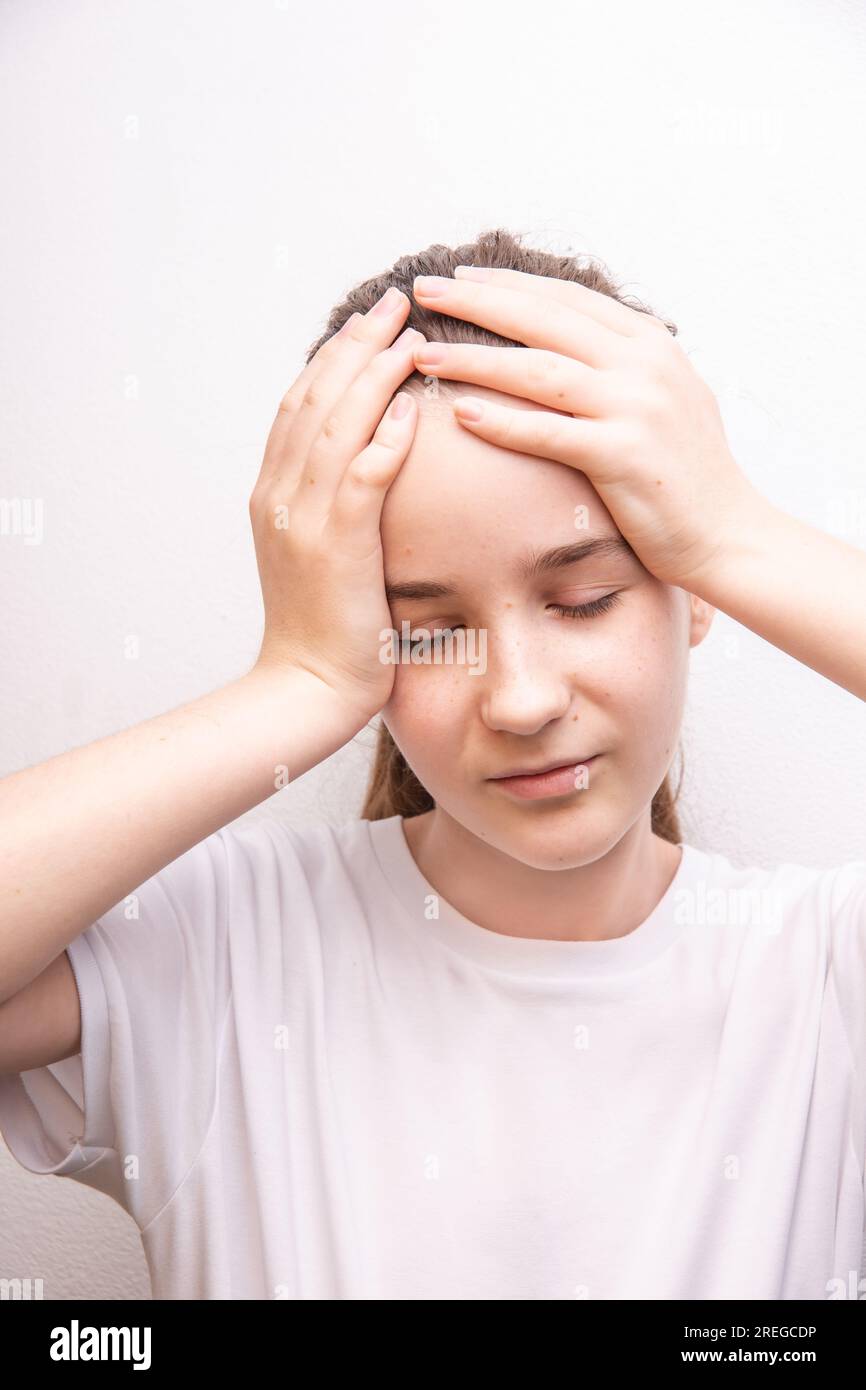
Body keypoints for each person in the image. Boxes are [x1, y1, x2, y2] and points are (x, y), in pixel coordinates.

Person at [0, 228, 864, 1301]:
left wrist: (736, 537)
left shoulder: (825, 977)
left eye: (582, 598)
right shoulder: (218, 950)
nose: (521, 698)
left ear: (690, 593)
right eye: (423, 629)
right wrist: (300, 681)